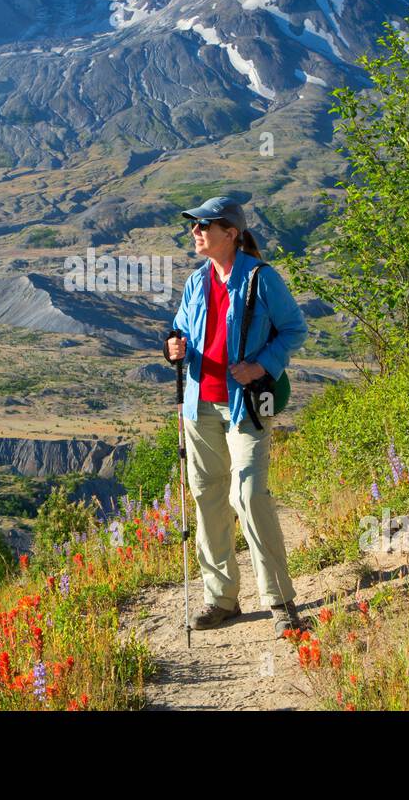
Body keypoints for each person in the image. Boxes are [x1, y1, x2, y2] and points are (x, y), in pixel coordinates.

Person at [162, 196, 312, 638]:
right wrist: (172, 347)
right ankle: (221, 598)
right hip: (198, 403)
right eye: (194, 226)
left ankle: (281, 602)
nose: (196, 232)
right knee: (207, 496)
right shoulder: (196, 281)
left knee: (249, 495)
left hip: (245, 402)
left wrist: (262, 364)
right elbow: (180, 332)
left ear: (231, 233)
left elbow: (294, 329)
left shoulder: (261, 279)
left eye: (204, 226)